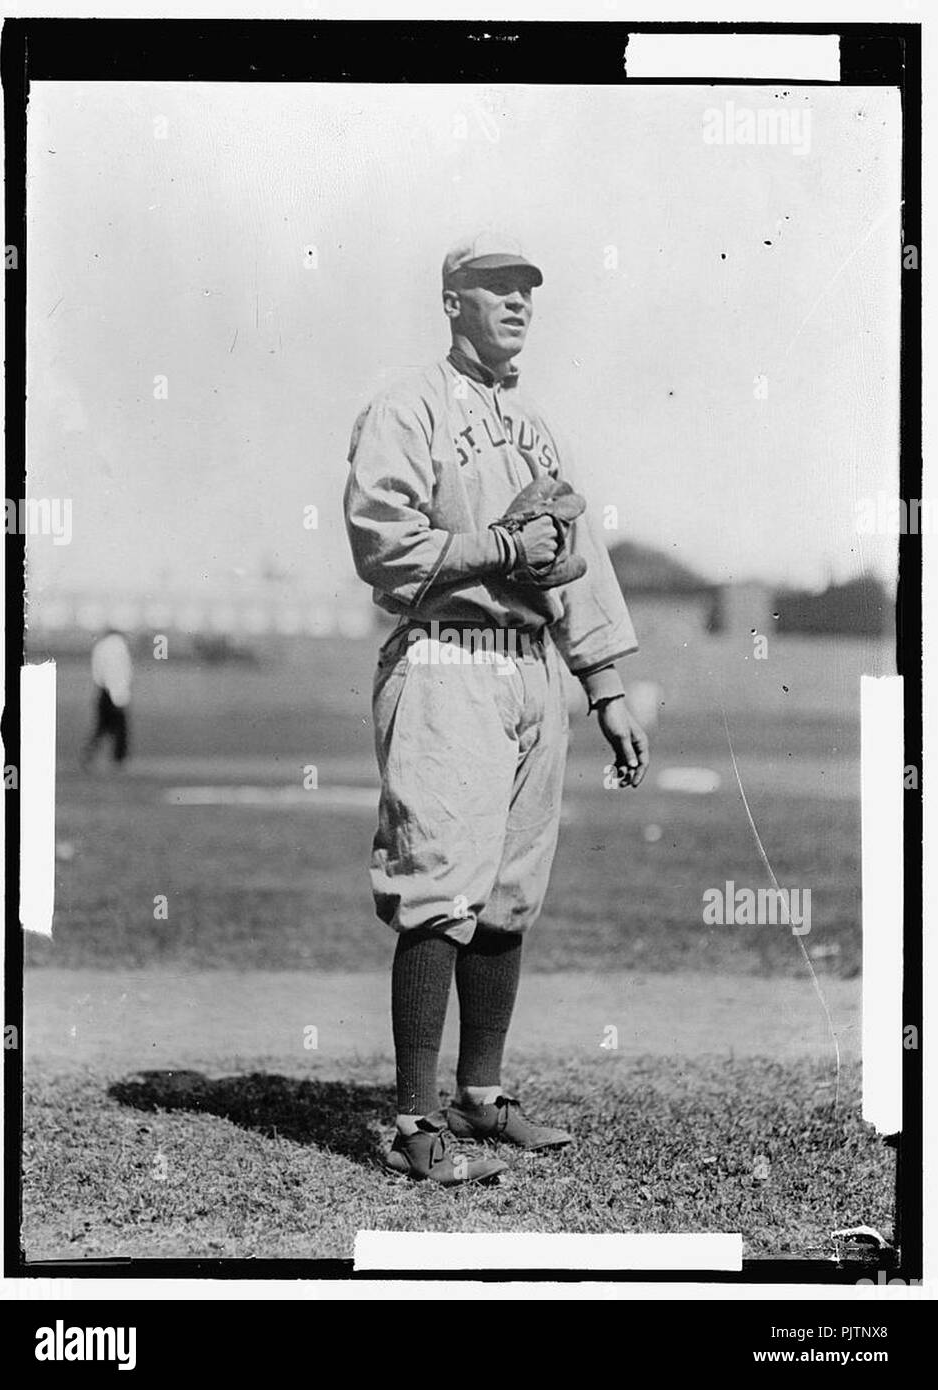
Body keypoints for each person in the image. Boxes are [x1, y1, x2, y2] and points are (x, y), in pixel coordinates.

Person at [344, 231, 649, 1186]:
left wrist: (604, 684)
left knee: (511, 893)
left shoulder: (539, 430)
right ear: (453, 300)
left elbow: (580, 565)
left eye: (527, 290)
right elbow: (382, 541)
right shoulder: (406, 408)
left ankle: (480, 1097)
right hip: (443, 657)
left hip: (529, 670)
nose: (518, 304)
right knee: (439, 885)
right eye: (497, 289)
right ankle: (409, 1118)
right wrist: (497, 550)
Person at [80, 628, 133, 768]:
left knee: (103, 726)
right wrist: (118, 694)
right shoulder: (117, 647)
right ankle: (118, 759)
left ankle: (90, 754)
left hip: (103, 690)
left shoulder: (102, 646)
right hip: (113, 692)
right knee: (119, 728)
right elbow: (116, 672)